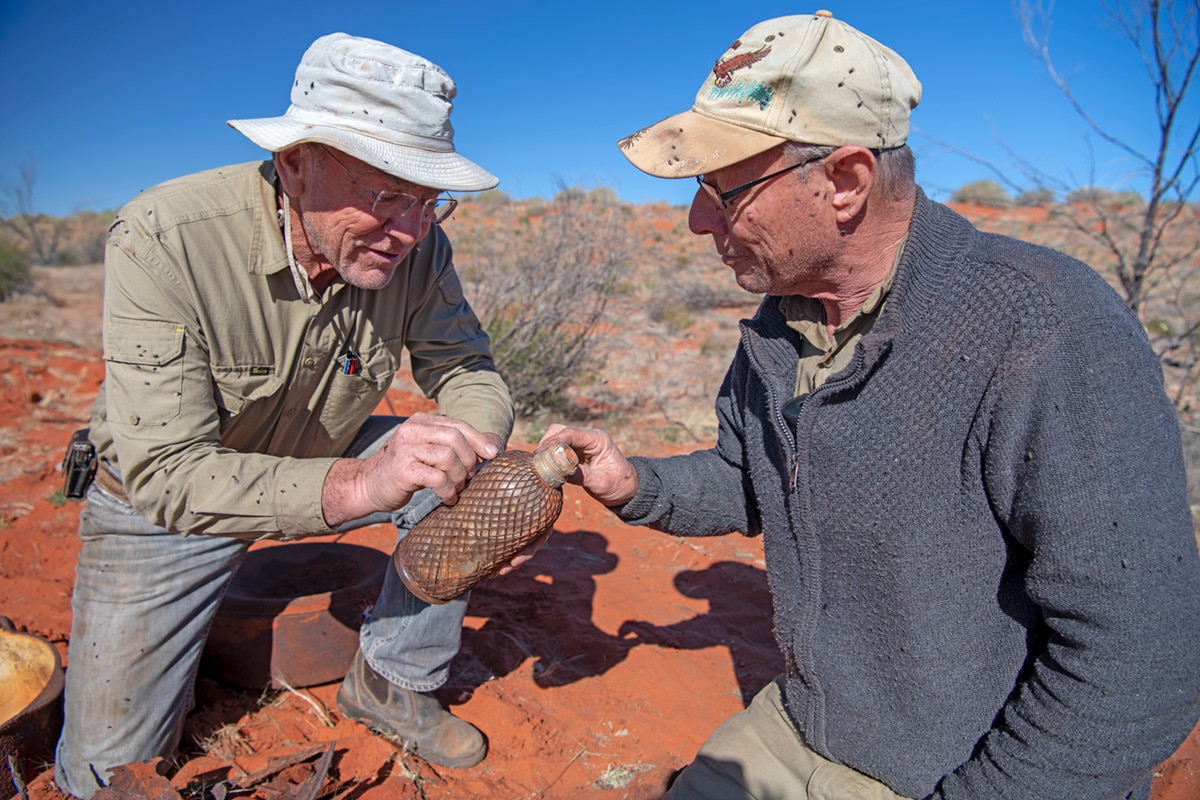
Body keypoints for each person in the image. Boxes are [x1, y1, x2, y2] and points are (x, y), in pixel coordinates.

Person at [539, 10, 1200, 800]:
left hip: (969, 771)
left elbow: (1143, 657)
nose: (695, 221)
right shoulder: (784, 324)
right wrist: (635, 483)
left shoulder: (1048, 328)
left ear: (844, 181)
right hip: (806, 729)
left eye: (723, 189)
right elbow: (751, 477)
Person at [55, 33, 517, 798]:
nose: (408, 229)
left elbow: (465, 367)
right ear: (296, 162)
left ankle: (393, 681)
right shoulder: (165, 236)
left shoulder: (419, 246)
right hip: (166, 508)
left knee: (460, 470)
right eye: (384, 194)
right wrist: (362, 484)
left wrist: (468, 439)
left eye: (429, 200)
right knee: (107, 772)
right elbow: (169, 474)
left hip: (324, 452)